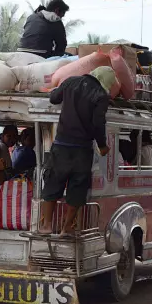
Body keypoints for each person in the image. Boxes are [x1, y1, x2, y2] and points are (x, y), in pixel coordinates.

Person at [36, 66, 117, 237]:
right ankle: (67, 228)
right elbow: (98, 123)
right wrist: (102, 145)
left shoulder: (71, 82)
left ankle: (46, 226)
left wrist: (59, 92)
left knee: (52, 183)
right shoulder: (101, 96)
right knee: (77, 189)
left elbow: (54, 98)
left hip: (61, 146)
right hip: (82, 150)